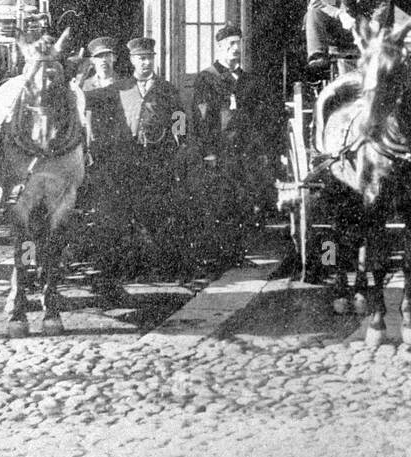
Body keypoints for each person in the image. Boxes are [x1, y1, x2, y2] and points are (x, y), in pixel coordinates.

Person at [191, 24, 274, 269]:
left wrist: (259, 151)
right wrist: (208, 152)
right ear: (219, 48)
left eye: (239, 44)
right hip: (219, 152)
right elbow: (202, 119)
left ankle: (237, 254)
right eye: (230, 46)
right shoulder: (207, 78)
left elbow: (257, 118)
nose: (236, 50)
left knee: (242, 202)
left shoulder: (248, 80)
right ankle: (215, 257)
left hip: (244, 152)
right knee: (219, 203)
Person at [117, 37, 187, 278]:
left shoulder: (166, 88)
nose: (145, 63)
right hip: (131, 158)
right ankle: (135, 264)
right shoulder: (123, 88)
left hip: (159, 158)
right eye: (140, 59)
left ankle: (163, 264)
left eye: (149, 58)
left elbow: (179, 115)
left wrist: (179, 141)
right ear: (132, 60)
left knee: (159, 209)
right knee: (132, 211)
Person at [79, 37, 140, 295]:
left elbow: (134, 115)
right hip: (89, 158)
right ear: (92, 61)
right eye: (99, 57)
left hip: (116, 158)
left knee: (113, 217)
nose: (104, 61)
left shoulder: (126, 84)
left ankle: (112, 275)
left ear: (115, 59)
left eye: (108, 56)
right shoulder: (83, 86)